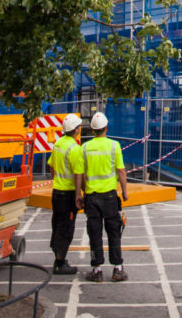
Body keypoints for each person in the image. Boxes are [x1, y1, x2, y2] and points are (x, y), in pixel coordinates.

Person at [76, 111, 129, 283]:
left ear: (92, 130)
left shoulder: (84, 148)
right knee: (114, 231)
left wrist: (80, 193)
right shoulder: (114, 146)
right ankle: (117, 268)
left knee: (95, 232)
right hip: (109, 197)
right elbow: (121, 171)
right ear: (106, 128)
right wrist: (125, 191)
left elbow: (80, 174)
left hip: (92, 197)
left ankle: (97, 270)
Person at [48, 113, 83, 275]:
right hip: (68, 194)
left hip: (57, 192)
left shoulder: (58, 144)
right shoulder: (74, 149)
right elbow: (78, 175)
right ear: (76, 130)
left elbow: (52, 166)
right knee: (66, 227)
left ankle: (58, 255)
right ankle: (59, 262)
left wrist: (56, 180)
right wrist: (78, 195)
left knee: (57, 224)